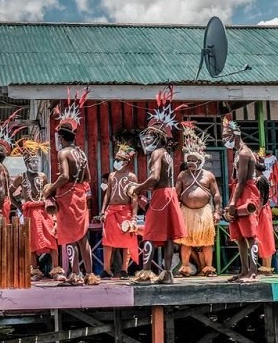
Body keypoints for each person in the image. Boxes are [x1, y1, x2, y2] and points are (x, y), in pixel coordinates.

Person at [129, 85, 188, 284]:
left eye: (150, 136)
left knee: (150, 233)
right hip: (170, 194)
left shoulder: (157, 153)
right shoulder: (168, 154)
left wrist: (137, 188)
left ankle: (146, 273)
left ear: (157, 137)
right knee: (169, 235)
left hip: (161, 194)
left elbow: (154, 177)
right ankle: (167, 273)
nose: (146, 140)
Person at [42, 88, 99, 286]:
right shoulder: (81, 154)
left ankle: (74, 273)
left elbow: (65, 175)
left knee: (69, 237)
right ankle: (90, 274)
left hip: (67, 197)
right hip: (80, 195)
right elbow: (88, 177)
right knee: (82, 238)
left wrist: (50, 188)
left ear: (61, 137)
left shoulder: (64, 153)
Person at [10, 137, 61, 281]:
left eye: (37, 161)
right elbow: (9, 193)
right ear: (26, 163)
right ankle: (35, 270)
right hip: (29, 212)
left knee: (51, 238)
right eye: (32, 161)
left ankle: (56, 269)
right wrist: (19, 206)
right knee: (31, 242)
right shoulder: (21, 177)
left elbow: (48, 192)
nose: (35, 164)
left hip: (44, 211)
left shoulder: (43, 176)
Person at [174, 123, 221, 278]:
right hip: (186, 211)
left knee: (207, 241)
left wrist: (217, 212)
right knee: (186, 241)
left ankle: (208, 268)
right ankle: (185, 268)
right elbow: (176, 194)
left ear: (200, 160)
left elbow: (216, 195)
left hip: (204, 212)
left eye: (194, 160)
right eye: (189, 160)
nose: (191, 162)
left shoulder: (208, 175)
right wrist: (175, 213)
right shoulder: (182, 175)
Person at [222, 114, 260, 282]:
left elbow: (243, 181)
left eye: (225, 136)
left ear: (235, 134)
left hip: (246, 193)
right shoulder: (238, 153)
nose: (224, 139)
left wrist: (232, 202)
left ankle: (253, 272)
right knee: (239, 236)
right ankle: (244, 270)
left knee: (250, 235)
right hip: (238, 192)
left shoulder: (244, 153)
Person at [98, 143, 140, 280]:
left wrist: (134, 217)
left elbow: (134, 198)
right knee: (107, 241)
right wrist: (103, 211)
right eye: (115, 159)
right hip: (111, 211)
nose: (116, 162)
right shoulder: (111, 176)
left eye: (119, 160)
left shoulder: (132, 177)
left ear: (127, 162)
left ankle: (124, 269)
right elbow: (107, 194)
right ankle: (106, 269)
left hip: (125, 211)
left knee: (126, 241)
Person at [0, 109, 24, 224]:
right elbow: (8, 193)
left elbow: (2, 189)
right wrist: (19, 206)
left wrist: (0, 211)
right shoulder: (0, 168)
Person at [255, 152, 276, 276]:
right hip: (262, 210)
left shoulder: (261, 179)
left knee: (265, 237)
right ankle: (265, 265)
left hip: (261, 211)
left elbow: (261, 198)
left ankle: (267, 267)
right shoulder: (262, 178)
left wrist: (256, 213)